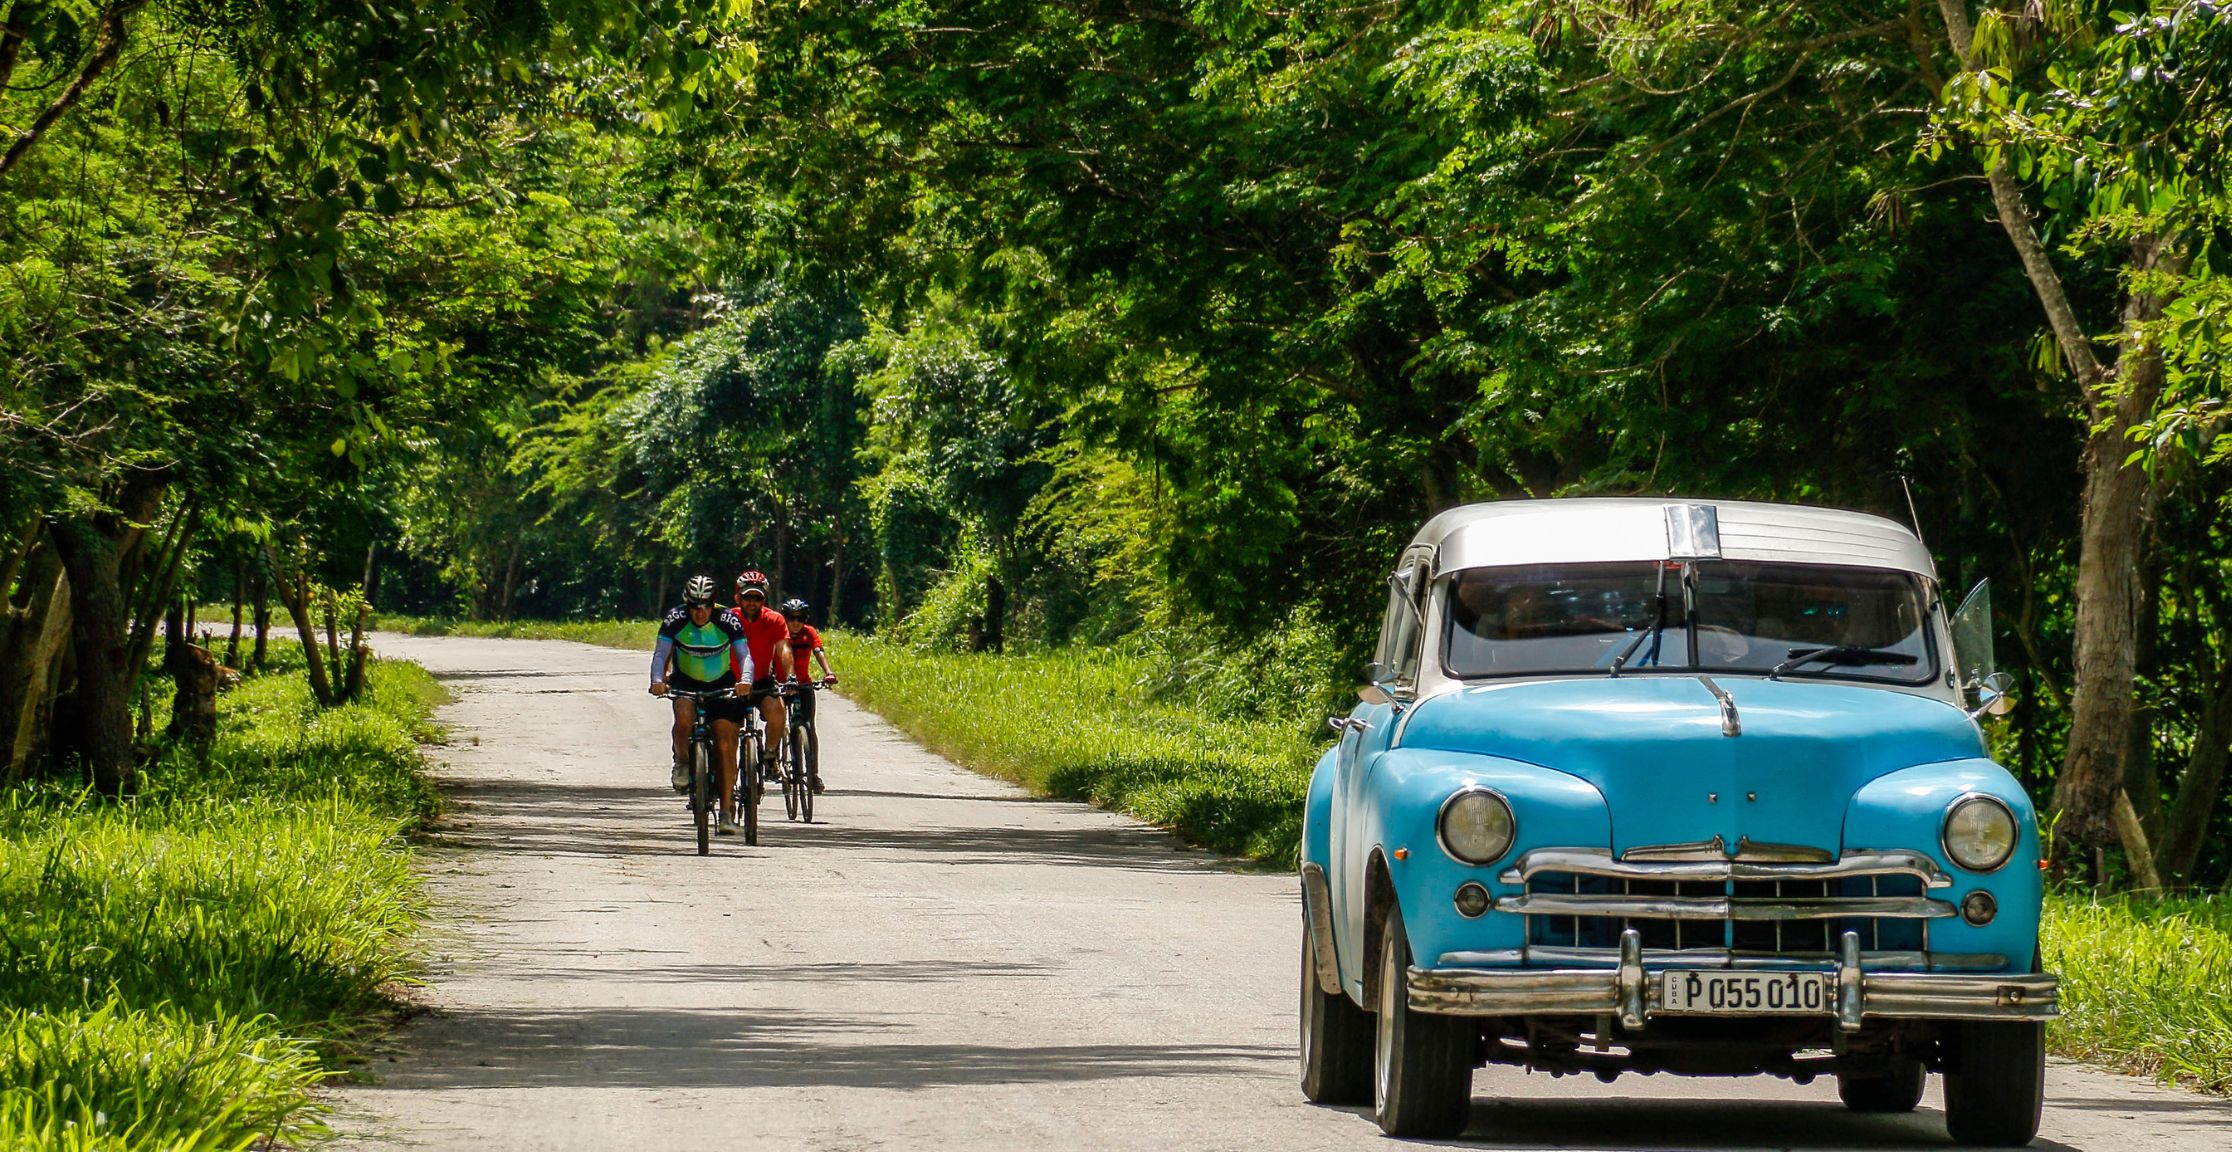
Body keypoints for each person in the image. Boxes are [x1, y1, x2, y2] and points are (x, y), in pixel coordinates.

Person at [649, 575, 753, 835]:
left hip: (721, 684)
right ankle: (683, 761)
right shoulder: (675, 619)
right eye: (694, 605)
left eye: (705, 605)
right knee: (683, 715)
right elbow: (661, 654)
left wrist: (746, 680)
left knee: (725, 743)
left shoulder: (727, 620)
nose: (699, 611)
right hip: (686, 681)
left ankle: (727, 812)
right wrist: (657, 680)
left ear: (713, 603)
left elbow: (744, 655)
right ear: (687, 604)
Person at [730, 569, 794, 782]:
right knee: (722, 731)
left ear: (763, 599)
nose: (752, 602)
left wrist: (790, 676)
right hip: (731, 683)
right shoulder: (728, 619)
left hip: (761, 681)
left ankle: (769, 755)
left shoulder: (774, 619)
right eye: (748, 597)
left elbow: (784, 649)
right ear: (738, 597)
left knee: (778, 711)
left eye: (757, 598)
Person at [779, 597, 836, 793]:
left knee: (809, 728)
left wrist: (828, 672)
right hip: (781, 685)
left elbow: (819, 651)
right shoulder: (780, 633)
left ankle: (813, 773)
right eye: (791, 618)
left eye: (800, 618)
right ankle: (776, 762)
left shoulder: (809, 633)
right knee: (776, 722)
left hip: (804, 685)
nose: (795, 622)